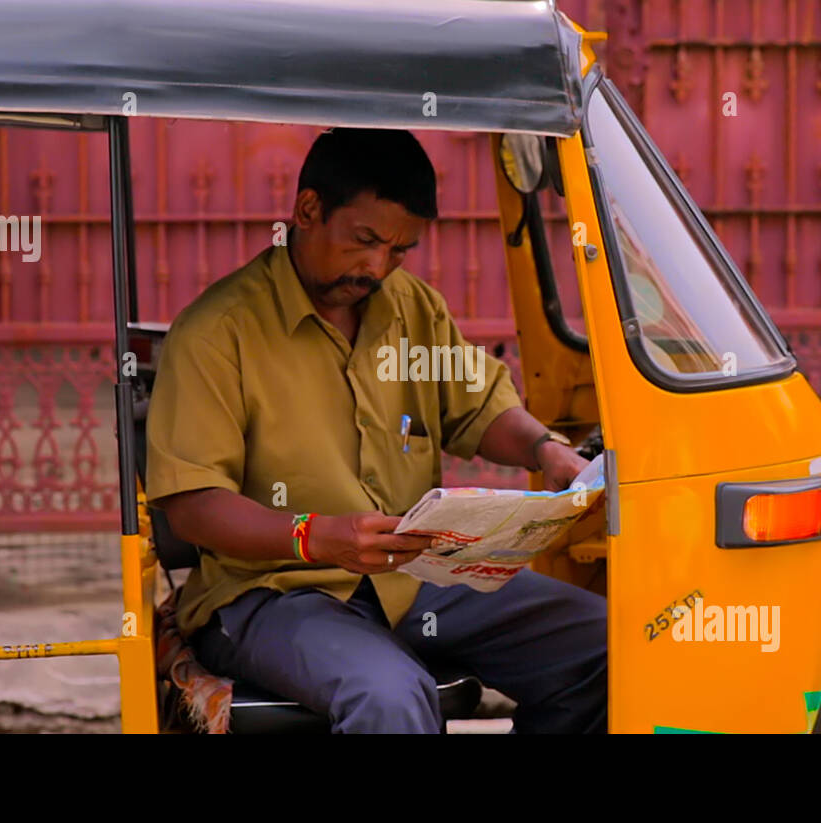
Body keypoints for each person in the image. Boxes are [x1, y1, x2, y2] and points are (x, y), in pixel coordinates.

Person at [146, 127, 606, 733]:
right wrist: (316, 536)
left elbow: (478, 408)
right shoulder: (216, 333)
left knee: (604, 645)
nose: (376, 267)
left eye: (398, 250)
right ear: (307, 210)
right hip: (272, 594)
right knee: (388, 698)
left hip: (413, 579)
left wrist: (544, 448)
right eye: (363, 241)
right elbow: (193, 507)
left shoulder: (413, 307)